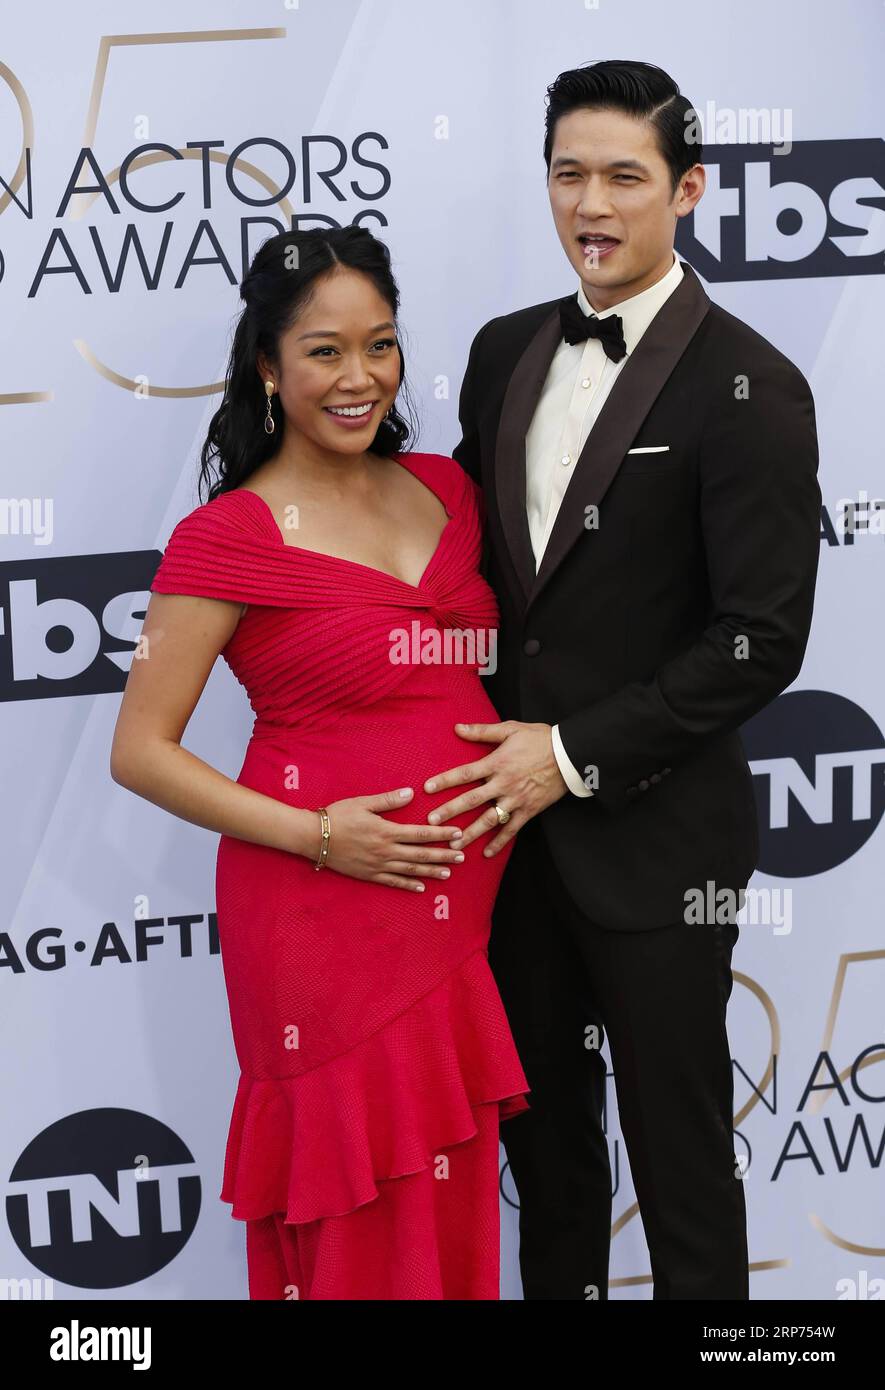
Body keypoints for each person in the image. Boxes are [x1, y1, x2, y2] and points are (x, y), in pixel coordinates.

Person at [424, 59, 821, 1299]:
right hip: (509, 842)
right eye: (568, 174)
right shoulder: (502, 353)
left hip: (656, 851)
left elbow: (760, 639)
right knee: (545, 1170)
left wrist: (571, 752)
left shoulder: (752, 386)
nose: (591, 203)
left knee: (684, 1173)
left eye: (624, 177)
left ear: (688, 189)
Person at [110, 227, 529, 1301]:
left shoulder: (447, 489)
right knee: (349, 1207)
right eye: (325, 353)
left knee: (442, 1201)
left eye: (380, 347)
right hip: (319, 916)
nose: (360, 379)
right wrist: (325, 836)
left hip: (459, 925)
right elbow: (140, 753)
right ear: (267, 365)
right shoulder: (225, 537)